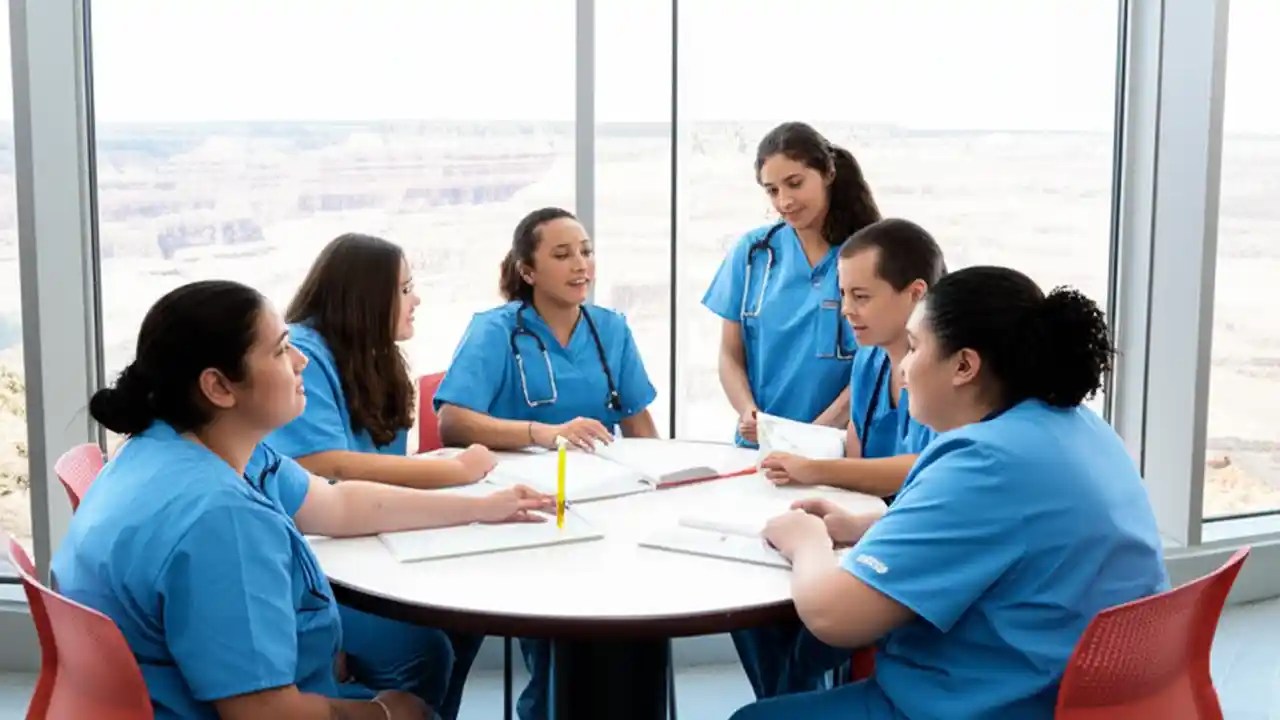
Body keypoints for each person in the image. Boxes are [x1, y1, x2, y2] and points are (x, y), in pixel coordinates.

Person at [50, 280, 552, 720]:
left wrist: (482, 507)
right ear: (219, 386)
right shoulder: (220, 520)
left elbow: (337, 505)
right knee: (418, 677)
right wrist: (380, 713)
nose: (302, 360)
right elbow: (264, 712)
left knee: (426, 653)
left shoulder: (170, 445)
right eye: (281, 349)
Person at [733, 266, 1170, 720]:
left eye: (915, 346)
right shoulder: (1077, 426)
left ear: (964, 365)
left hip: (1002, 703)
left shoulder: (985, 461)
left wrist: (807, 540)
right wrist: (870, 526)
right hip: (1097, 694)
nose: (902, 365)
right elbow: (1012, 533)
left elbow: (833, 618)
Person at [434, 206, 659, 720]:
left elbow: (639, 420)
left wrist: (659, 480)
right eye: (562, 255)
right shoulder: (495, 331)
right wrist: (543, 433)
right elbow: (453, 422)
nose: (581, 264)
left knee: (626, 618)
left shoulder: (610, 329)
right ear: (527, 271)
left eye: (586, 250)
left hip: (600, 502)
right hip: (523, 508)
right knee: (560, 625)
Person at [267, 233, 493, 719]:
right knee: (425, 649)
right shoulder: (307, 356)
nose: (417, 300)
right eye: (406, 289)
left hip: (367, 541)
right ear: (365, 299)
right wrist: (453, 472)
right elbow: (328, 464)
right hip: (329, 563)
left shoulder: (376, 356)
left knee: (464, 617)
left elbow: (375, 469)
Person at [702, 121, 880, 447]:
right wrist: (748, 412)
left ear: (827, 174)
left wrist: (807, 438)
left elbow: (878, 363)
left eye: (794, 184)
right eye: (772, 190)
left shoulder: (867, 258)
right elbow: (730, 354)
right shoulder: (753, 253)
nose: (784, 201)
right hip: (761, 446)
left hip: (839, 445)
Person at [760, 218, 943, 499]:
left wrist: (814, 470)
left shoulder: (946, 372)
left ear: (915, 294)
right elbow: (856, 456)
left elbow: (929, 468)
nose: (846, 309)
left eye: (861, 297)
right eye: (844, 294)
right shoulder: (868, 361)